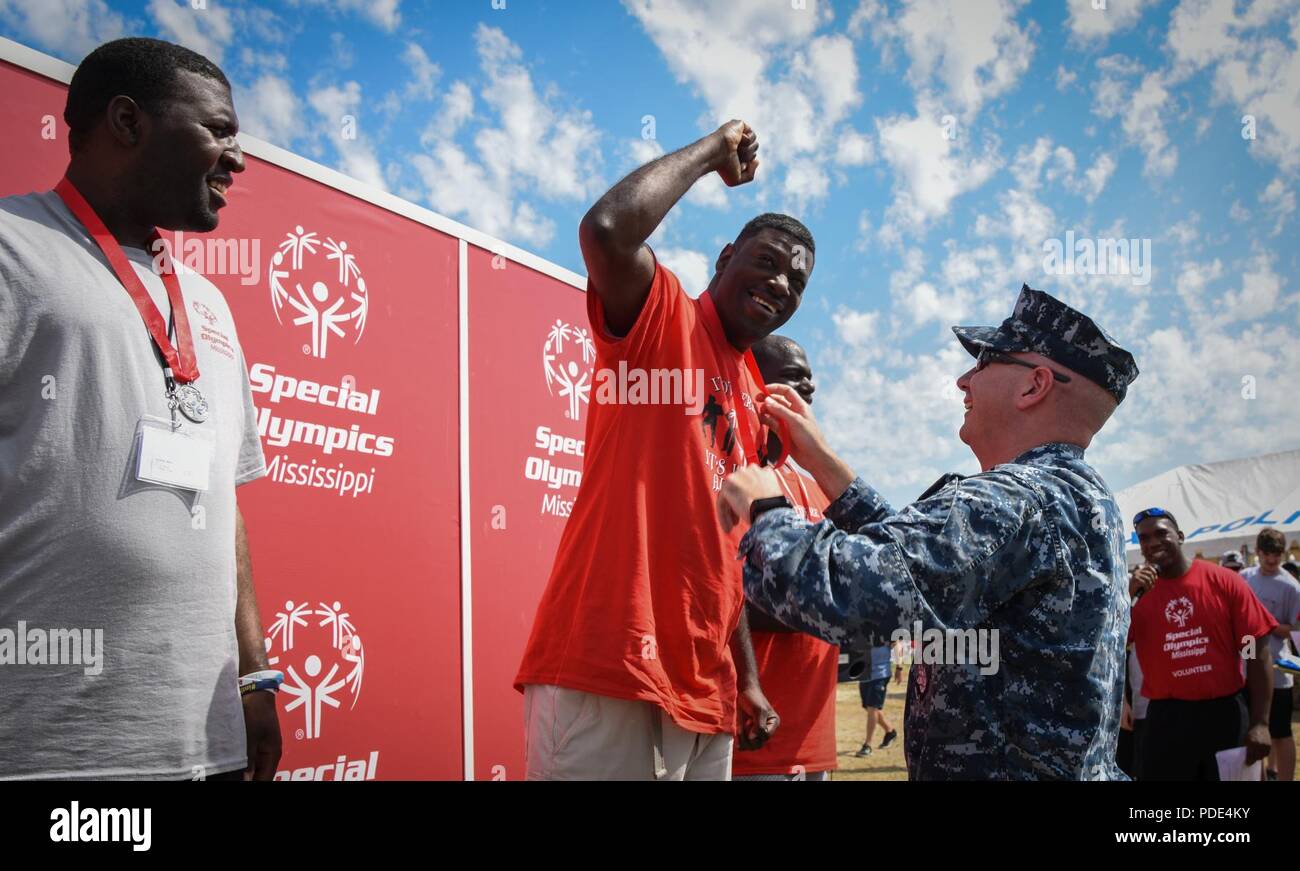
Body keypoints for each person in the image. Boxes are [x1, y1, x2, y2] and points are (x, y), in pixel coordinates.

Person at [718, 284, 1138, 779]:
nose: (965, 380)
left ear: (1034, 386)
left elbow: (861, 596)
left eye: (984, 364)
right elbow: (932, 572)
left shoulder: (1018, 499)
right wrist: (825, 463)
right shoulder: (1077, 497)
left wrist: (766, 507)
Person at [0, 38, 279, 779]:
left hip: (205, 742)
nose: (237, 159)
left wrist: (254, 676)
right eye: (217, 130)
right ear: (128, 121)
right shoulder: (10, 247)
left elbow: (225, 505)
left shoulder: (209, 300)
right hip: (49, 751)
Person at [514, 121, 816, 780]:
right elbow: (606, 231)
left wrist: (747, 679)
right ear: (725, 255)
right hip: (613, 670)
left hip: (707, 692)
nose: (781, 283)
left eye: (796, 281)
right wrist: (712, 152)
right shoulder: (665, 317)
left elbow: (727, 559)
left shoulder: (752, 394)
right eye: (767, 260)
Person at [732, 335, 837, 782]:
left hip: (813, 736)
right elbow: (721, 595)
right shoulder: (735, 476)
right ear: (753, 382)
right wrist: (820, 605)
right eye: (795, 376)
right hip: (755, 731)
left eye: (811, 378)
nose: (809, 386)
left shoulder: (814, 484)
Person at [1128, 510, 1276, 780]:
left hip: (1225, 714)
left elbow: (1254, 651)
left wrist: (1260, 723)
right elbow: (1109, 650)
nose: (1152, 542)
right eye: (1144, 538)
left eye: (1161, 533)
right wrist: (1126, 597)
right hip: (1165, 719)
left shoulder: (1224, 581)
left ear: (1181, 536)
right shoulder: (1138, 597)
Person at [1241, 527, 1300, 780]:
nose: (1272, 559)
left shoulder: (1291, 587)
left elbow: (1297, 632)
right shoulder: (1244, 577)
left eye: (1277, 554)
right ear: (1257, 552)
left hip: (1277, 671)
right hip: (1245, 668)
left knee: (1280, 732)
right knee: (1251, 733)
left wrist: (1269, 625)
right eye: (1267, 554)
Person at [854, 643, 898, 758]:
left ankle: (867, 745)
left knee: (872, 708)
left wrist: (899, 667)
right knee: (868, 707)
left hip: (880, 673)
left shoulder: (886, 627)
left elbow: (897, 644)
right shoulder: (862, 625)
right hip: (864, 673)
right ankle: (890, 731)